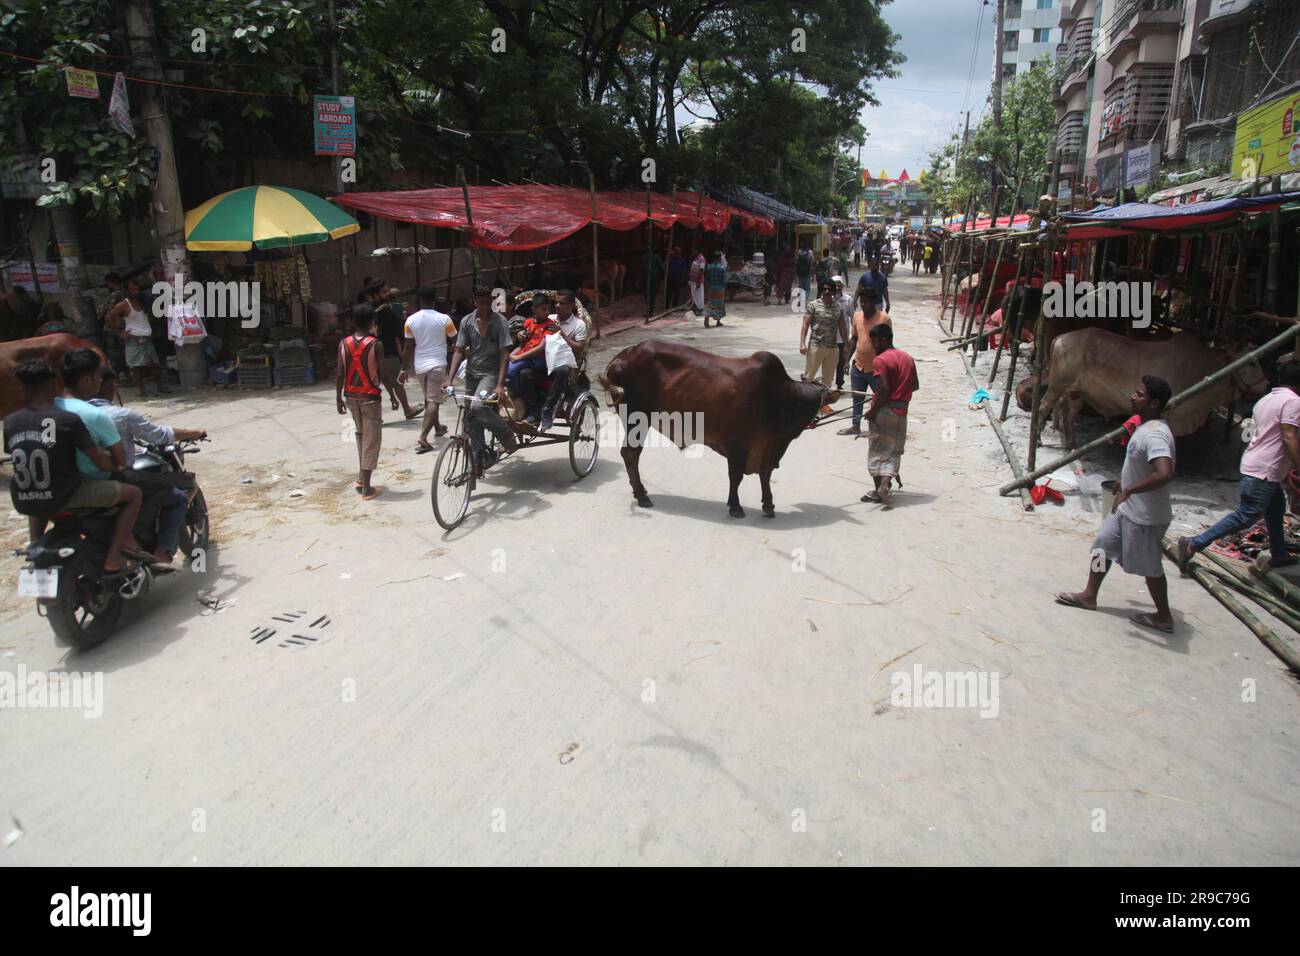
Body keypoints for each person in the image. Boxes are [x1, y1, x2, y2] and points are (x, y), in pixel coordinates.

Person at [1056, 376, 1177, 634]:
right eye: (1135, 392)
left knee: (1150, 567)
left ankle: (1164, 616)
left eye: (1140, 394)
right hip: (1126, 506)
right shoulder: (1143, 426)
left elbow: (1164, 473)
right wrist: (1125, 486)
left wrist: (1131, 489)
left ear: (1154, 403)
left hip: (1145, 514)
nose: (1134, 396)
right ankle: (1089, 595)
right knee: (1102, 545)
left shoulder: (1156, 435)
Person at [4, 358, 140, 578]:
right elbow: (98, 461)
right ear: (53, 386)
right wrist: (115, 463)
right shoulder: (67, 419)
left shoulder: (10, 422)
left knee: (41, 496)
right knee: (134, 495)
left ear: (22, 388)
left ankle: (34, 547)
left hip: (24, 499)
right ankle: (115, 556)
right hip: (67, 495)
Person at [1178, 361, 1300, 572]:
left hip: (1256, 464)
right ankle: (1194, 543)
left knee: (1275, 508)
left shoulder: (1267, 399)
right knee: (1247, 515)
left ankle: (1279, 553)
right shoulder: (1293, 402)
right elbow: (1288, 435)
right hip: (1265, 470)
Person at [89, 365, 200, 566]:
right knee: (176, 496)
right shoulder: (120, 415)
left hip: (85, 484)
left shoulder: (70, 413)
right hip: (116, 479)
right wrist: (195, 432)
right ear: (111, 388)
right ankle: (162, 552)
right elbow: (160, 435)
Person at [447, 285, 517, 473]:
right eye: (480, 300)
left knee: (479, 407)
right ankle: (478, 461)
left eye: (487, 300)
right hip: (472, 373)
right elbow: (459, 350)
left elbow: (504, 354)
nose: (484, 304)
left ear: (491, 300)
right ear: (474, 300)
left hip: (491, 374)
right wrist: (449, 379)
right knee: (471, 417)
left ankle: (506, 434)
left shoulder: (500, 321)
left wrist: (500, 385)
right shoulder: (466, 322)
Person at [860, 324, 918, 508]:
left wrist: (873, 410)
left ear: (884, 339)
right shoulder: (907, 358)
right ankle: (885, 485)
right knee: (893, 450)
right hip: (901, 411)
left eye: (874, 341)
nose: (873, 345)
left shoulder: (881, 360)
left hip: (884, 410)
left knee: (877, 450)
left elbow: (884, 388)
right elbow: (915, 385)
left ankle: (878, 491)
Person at [336, 304, 386, 500]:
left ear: (353, 322)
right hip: (370, 398)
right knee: (371, 441)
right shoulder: (375, 344)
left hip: (351, 397)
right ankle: (367, 487)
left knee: (361, 436)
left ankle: (360, 477)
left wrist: (338, 398)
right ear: (372, 323)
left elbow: (340, 374)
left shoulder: (343, 343)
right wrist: (395, 395)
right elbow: (383, 374)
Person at [400, 287, 458, 453]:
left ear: (419, 300)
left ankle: (438, 428)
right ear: (435, 299)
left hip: (420, 366)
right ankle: (423, 437)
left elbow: (408, 346)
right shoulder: (444, 319)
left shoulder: (410, 320)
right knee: (433, 401)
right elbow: (456, 340)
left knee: (430, 398)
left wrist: (403, 369)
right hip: (437, 365)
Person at [838, 286, 892, 436]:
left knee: (880, 397)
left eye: (866, 302)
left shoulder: (884, 319)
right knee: (857, 397)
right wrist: (847, 360)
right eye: (862, 302)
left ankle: (880, 427)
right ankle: (855, 425)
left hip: (877, 368)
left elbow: (888, 343)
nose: (863, 304)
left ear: (874, 302)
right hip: (859, 365)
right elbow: (854, 339)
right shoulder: (857, 317)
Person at [105, 278, 170, 396]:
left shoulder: (143, 301)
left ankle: (159, 386)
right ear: (126, 291)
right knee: (136, 366)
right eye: (133, 290)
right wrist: (120, 333)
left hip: (147, 336)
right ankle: (142, 390)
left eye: (137, 289)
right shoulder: (123, 305)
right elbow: (108, 318)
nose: (136, 291)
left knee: (154, 364)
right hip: (133, 338)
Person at [537, 290, 588, 431]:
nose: (558, 305)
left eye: (562, 303)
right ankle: (532, 409)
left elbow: (579, 348)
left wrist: (562, 333)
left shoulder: (578, 325)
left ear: (571, 305)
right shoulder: (549, 318)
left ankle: (549, 407)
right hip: (543, 361)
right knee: (524, 373)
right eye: (556, 302)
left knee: (562, 370)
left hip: (564, 364)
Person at [370, 283, 421, 420]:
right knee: (397, 382)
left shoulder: (371, 311)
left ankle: (377, 414)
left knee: (381, 381)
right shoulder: (388, 312)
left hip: (372, 352)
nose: (387, 294)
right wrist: (402, 358)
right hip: (388, 352)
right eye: (384, 292)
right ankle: (407, 409)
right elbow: (396, 337)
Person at [507, 294, 556, 425]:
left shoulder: (550, 325)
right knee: (504, 366)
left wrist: (518, 357)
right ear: (534, 309)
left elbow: (541, 347)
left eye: (548, 309)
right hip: (525, 355)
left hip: (538, 359)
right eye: (543, 309)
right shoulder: (528, 322)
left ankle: (521, 400)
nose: (547, 312)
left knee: (511, 371)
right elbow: (523, 344)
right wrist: (513, 352)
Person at [800, 280, 848, 400]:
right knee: (809, 377)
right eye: (824, 289)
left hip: (832, 348)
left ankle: (823, 404)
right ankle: (805, 401)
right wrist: (802, 343)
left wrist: (846, 344)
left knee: (827, 379)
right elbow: (805, 324)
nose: (827, 291)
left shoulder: (838, 307)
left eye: (829, 289)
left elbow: (842, 327)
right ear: (821, 290)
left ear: (833, 291)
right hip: (816, 347)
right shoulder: (813, 305)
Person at [832, 277, 853, 390]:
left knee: (840, 362)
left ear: (843, 286)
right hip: (829, 336)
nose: (837, 287)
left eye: (839, 284)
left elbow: (852, 316)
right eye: (835, 284)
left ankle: (839, 384)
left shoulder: (848, 299)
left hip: (842, 337)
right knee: (829, 361)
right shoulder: (827, 298)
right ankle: (827, 384)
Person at [704, 251, 728, 328]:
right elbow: (724, 280)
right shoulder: (722, 267)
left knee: (710, 304)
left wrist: (708, 286)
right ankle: (718, 321)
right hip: (719, 289)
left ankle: (706, 319)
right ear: (719, 258)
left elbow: (706, 279)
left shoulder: (709, 267)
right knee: (719, 305)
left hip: (711, 289)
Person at [641, 247, 663, 314]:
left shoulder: (643, 257)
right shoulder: (657, 257)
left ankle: (649, 309)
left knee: (647, 295)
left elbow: (641, 269)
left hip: (646, 278)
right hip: (654, 279)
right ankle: (651, 310)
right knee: (652, 294)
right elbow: (661, 267)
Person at [688, 250, 707, 315]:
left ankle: (699, 308)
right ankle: (695, 308)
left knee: (699, 295)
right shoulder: (697, 259)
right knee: (694, 295)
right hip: (693, 280)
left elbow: (701, 270)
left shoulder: (702, 259)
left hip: (698, 280)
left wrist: (698, 281)